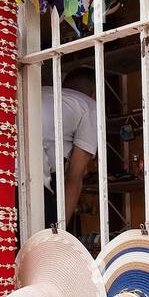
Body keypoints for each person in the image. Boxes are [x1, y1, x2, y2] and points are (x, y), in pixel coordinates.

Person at [43, 66, 97, 229]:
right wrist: (58, 233)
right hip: (23, 184)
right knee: (41, 251)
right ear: (94, 93)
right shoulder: (89, 105)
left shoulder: (43, 92)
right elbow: (75, 176)